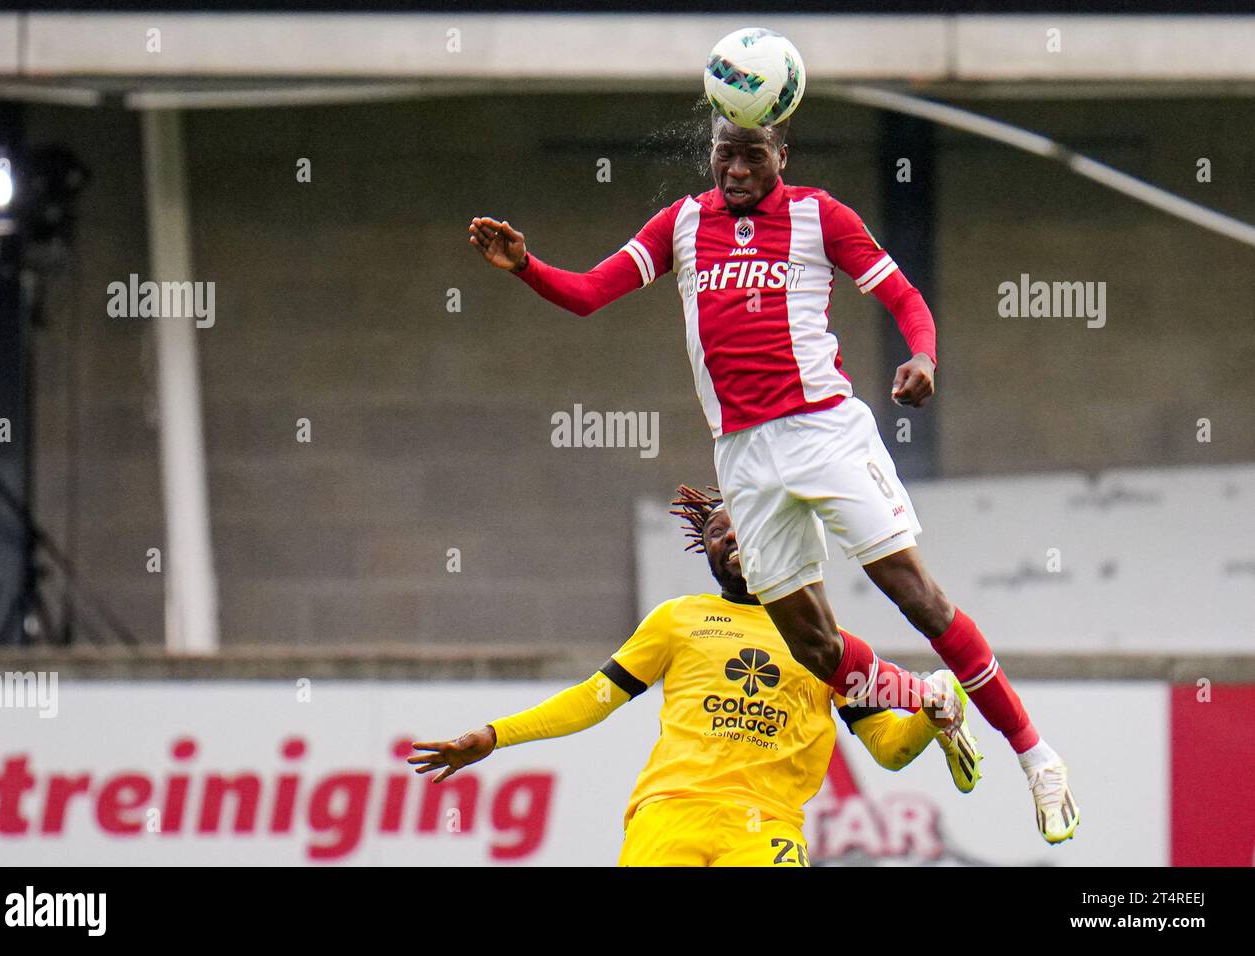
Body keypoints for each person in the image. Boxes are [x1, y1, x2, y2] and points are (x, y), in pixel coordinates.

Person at [466, 108, 1077, 845]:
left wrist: (923, 355)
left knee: (916, 596)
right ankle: (925, 698)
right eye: (726, 156)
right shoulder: (682, 225)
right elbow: (592, 293)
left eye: (753, 155)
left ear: (780, 152)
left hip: (823, 431)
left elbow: (905, 298)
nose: (737, 171)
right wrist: (528, 267)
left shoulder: (822, 216)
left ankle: (1036, 757)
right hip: (743, 456)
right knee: (812, 648)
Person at [409, 486, 981, 866]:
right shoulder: (677, 620)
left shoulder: (825, 642)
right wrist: (494, 734)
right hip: (669, 812)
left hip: (766, 830)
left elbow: (888, 751)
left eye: (744, 527)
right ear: (705, 551)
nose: (730, 538)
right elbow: (593, 700)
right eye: (716, 533)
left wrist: (930, 718)